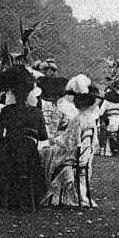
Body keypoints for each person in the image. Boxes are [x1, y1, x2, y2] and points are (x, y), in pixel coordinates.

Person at [0, 66, 47, 209]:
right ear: (29, 92)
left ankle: (1, 200)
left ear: (12, 92)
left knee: (1, 157)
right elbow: (43, 136)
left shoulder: (6, 111)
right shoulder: (36, 112)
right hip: (29, 156)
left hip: (7, 155)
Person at [42, 75, 99, 207]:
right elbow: (92, 143)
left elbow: (69, 143)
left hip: (74, 157)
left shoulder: (77, 120)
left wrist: (54, 141)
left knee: (46, 156)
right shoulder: (91, 119)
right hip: (85, 158)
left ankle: (51, 193)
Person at [97, 81, 119, 156]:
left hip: (108, 124)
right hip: (118, 126)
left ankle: (103, 148)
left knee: (101, 124)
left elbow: (100, 113)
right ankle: (117, 147)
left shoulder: (107, 100)